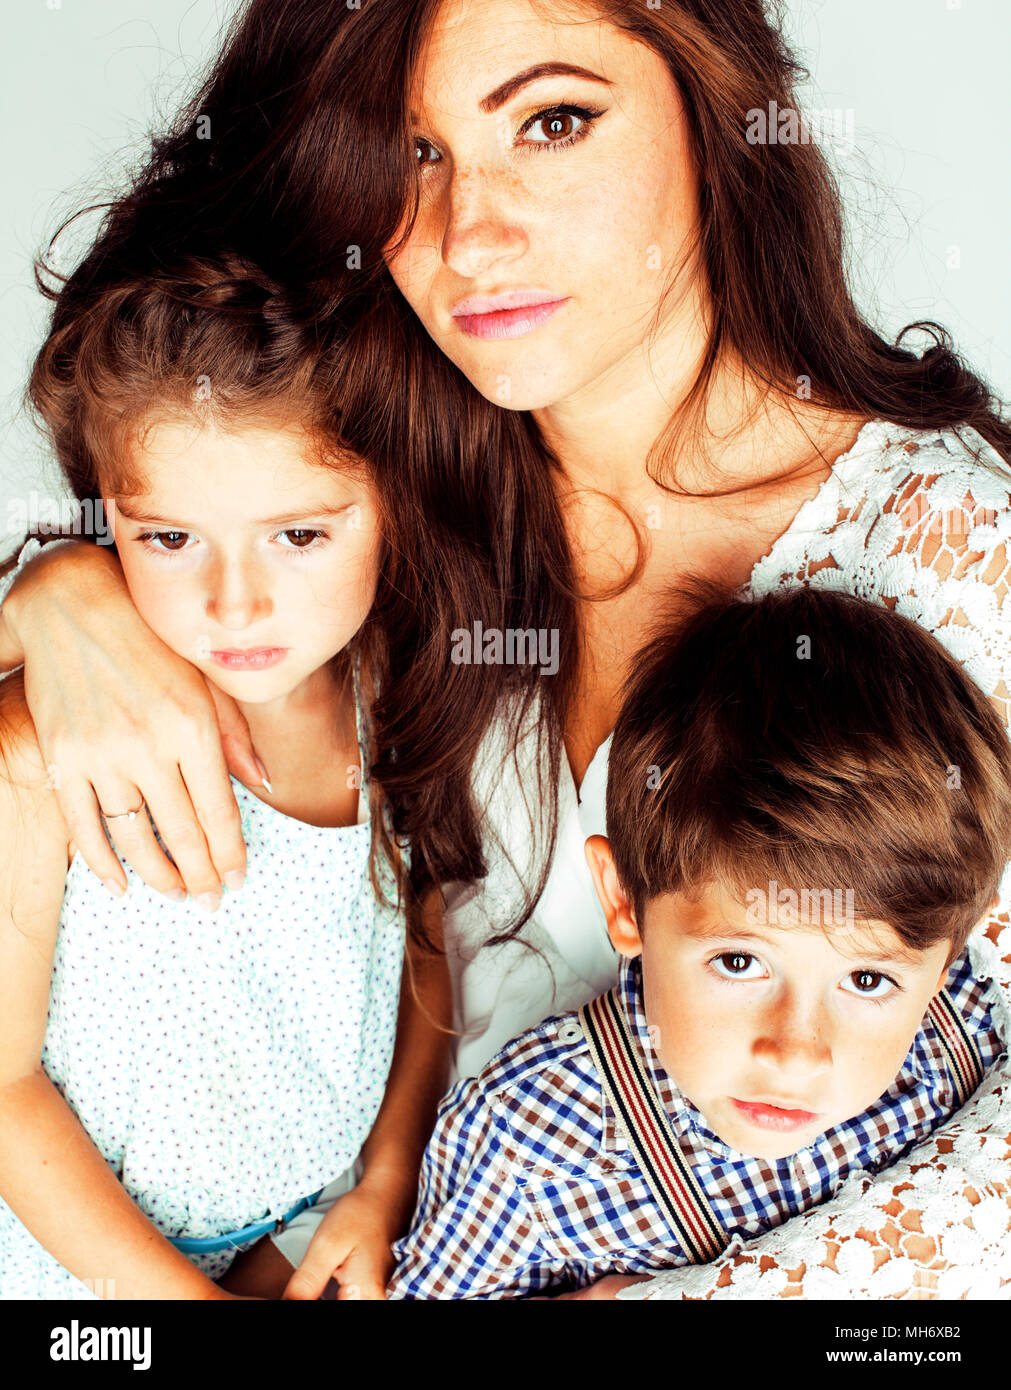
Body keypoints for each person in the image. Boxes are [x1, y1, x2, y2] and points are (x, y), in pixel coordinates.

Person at [3, 0, 1010, 1295]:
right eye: (412, 153)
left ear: (711, 119)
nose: (470, 235)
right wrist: (55, 590)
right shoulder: (378, 515)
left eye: (552, 121)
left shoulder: (952, 551)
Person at [0, 249, 460, 1300]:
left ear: (392, 502)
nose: (236, 604)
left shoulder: (384, 690)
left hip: (295, 1240)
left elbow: (424, 932)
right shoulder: (50, 743)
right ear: (102, 512)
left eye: (300, 533)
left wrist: (384, 1179)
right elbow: (2, 1088)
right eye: (169, 537)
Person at [388, 587, 1011, 1299]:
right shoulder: (530, 1146)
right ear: (624, 900)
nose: (795, 1051)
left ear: (943, 964)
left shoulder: (967, 1027)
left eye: (867, 981)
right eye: (739, 961)